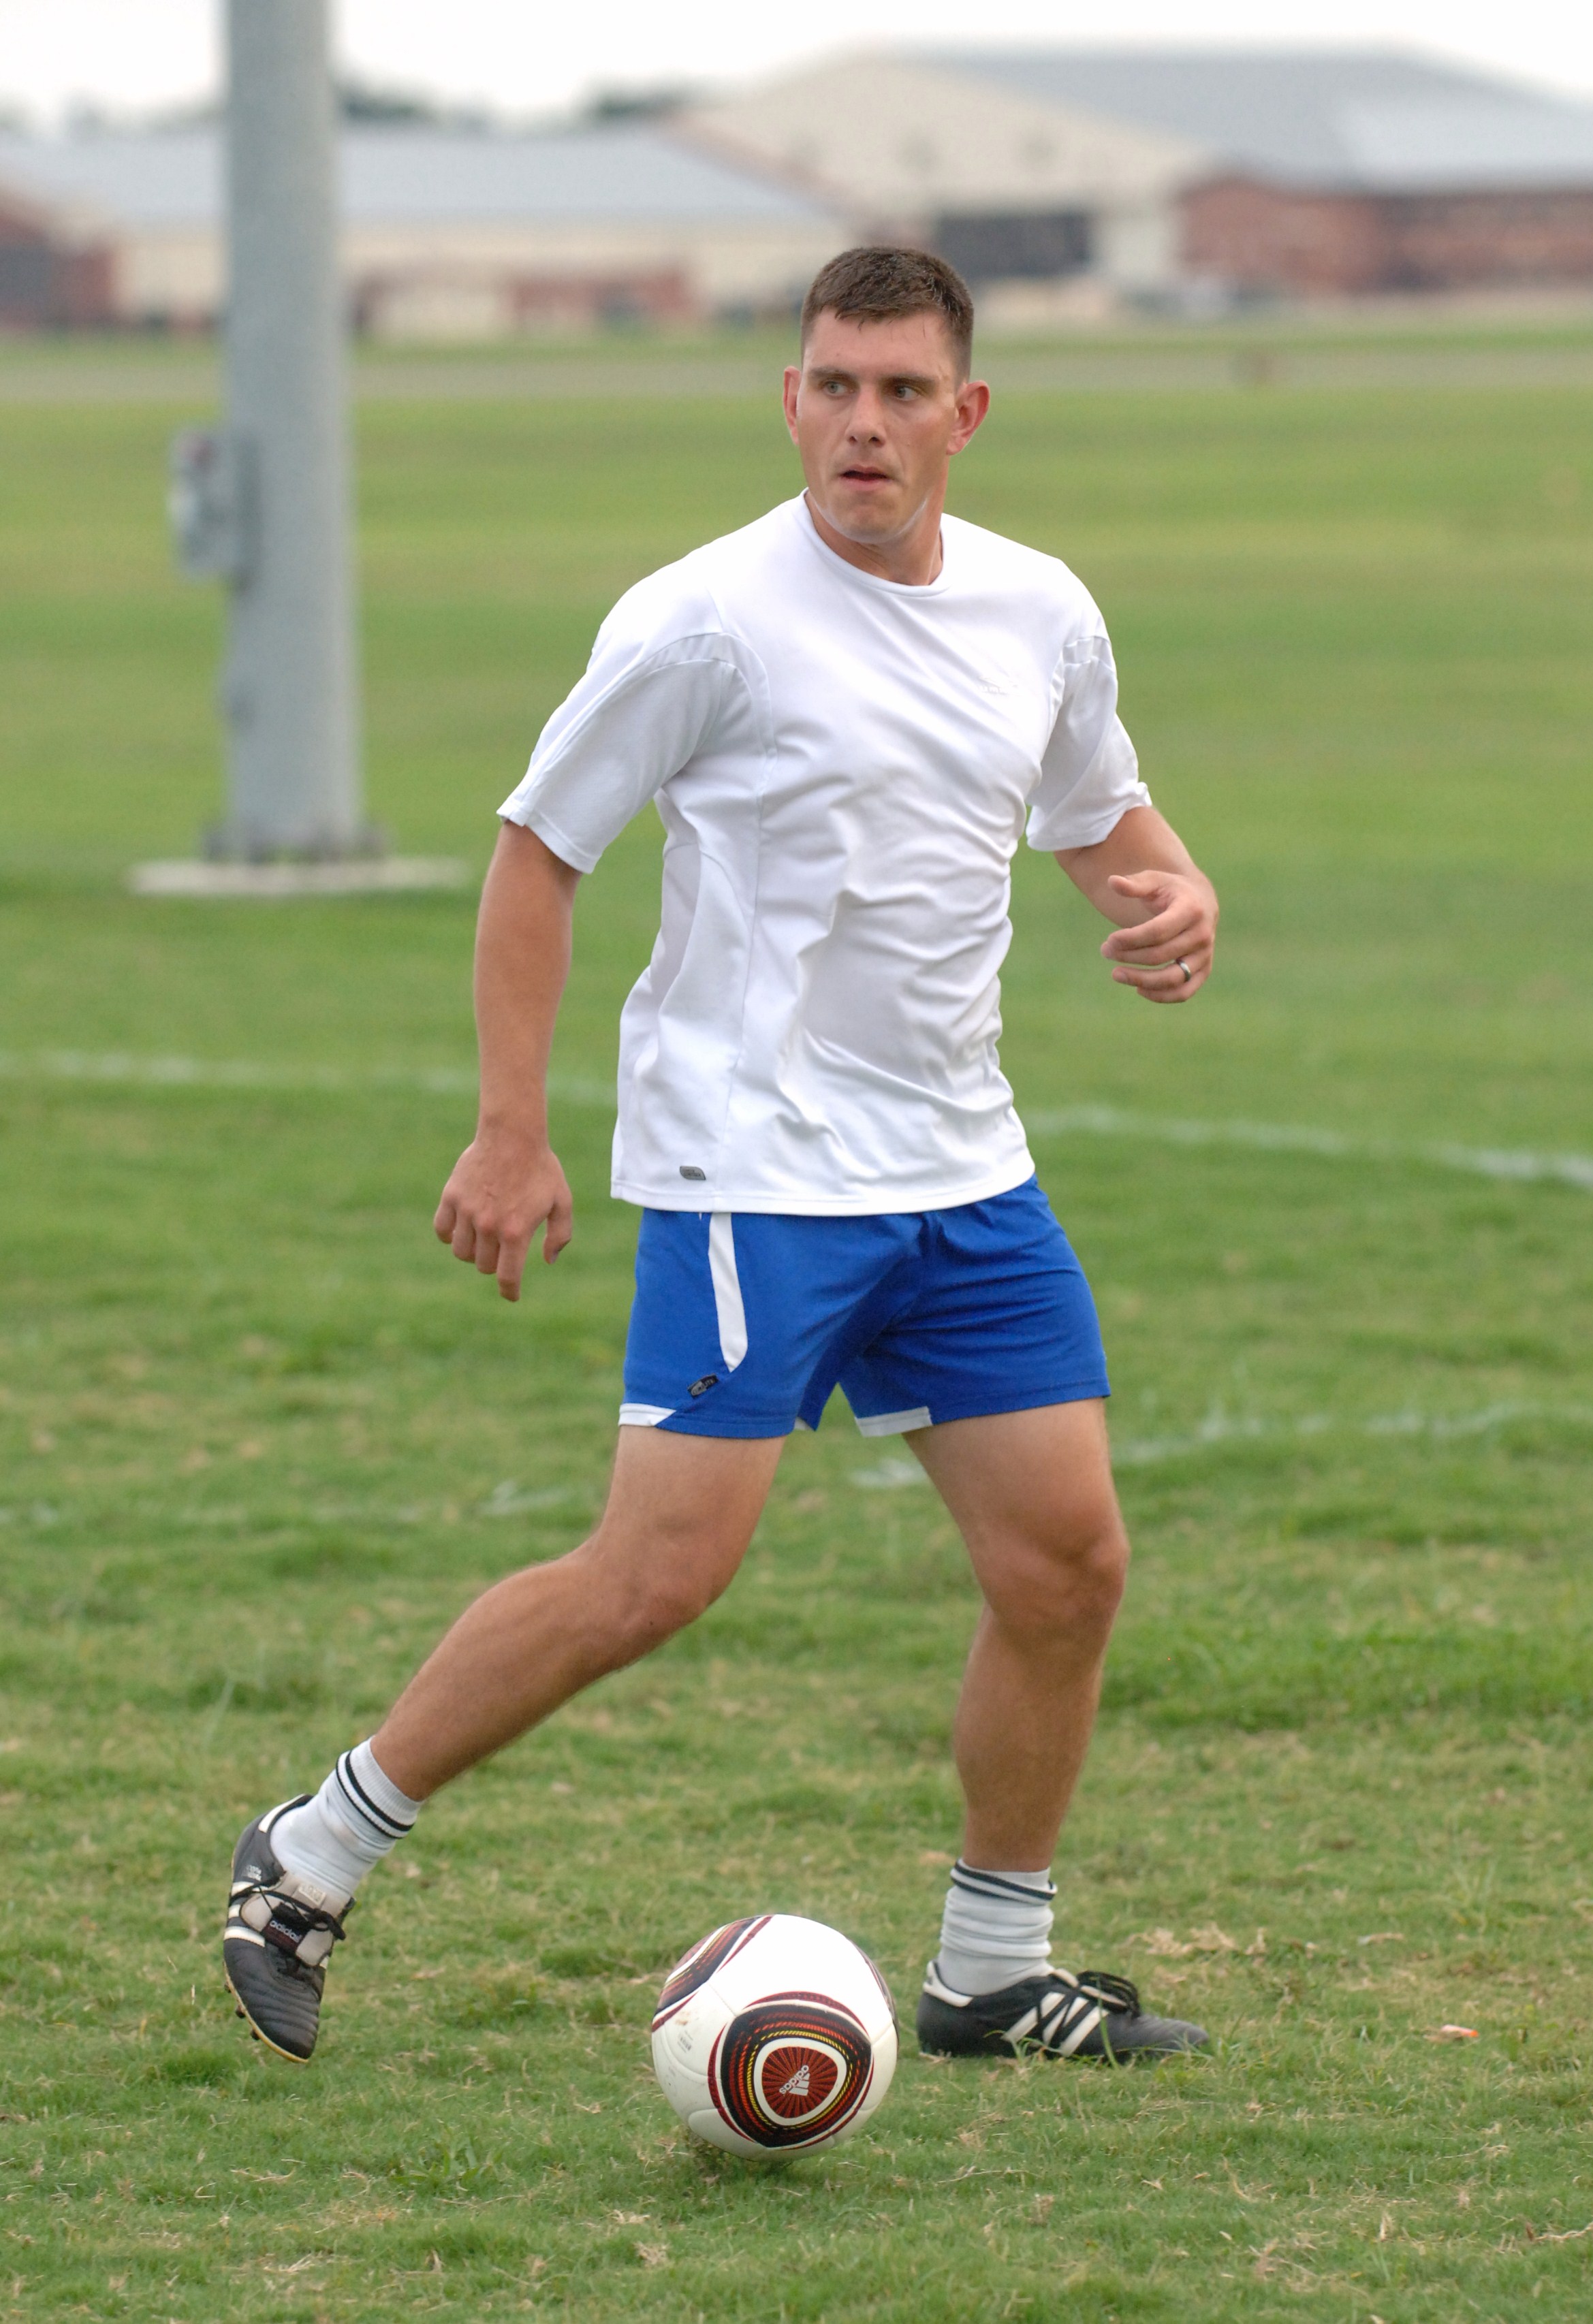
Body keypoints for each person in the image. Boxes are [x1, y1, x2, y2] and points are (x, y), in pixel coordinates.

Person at [224, 246, 1218, 2069]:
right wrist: (511, 1128)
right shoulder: (703, 621)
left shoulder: (1036, 612)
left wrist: (1171, 887)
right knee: (655, 1577)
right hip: (752, 1169)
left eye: (900, 391)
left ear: (964, 416)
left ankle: (992, 1971)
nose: (861, 422)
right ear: (789, 402)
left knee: (1067, 1566)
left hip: (961, 1174)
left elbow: (1094, 815)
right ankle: (307, 1854)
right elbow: (537, 854)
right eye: (831, 385)